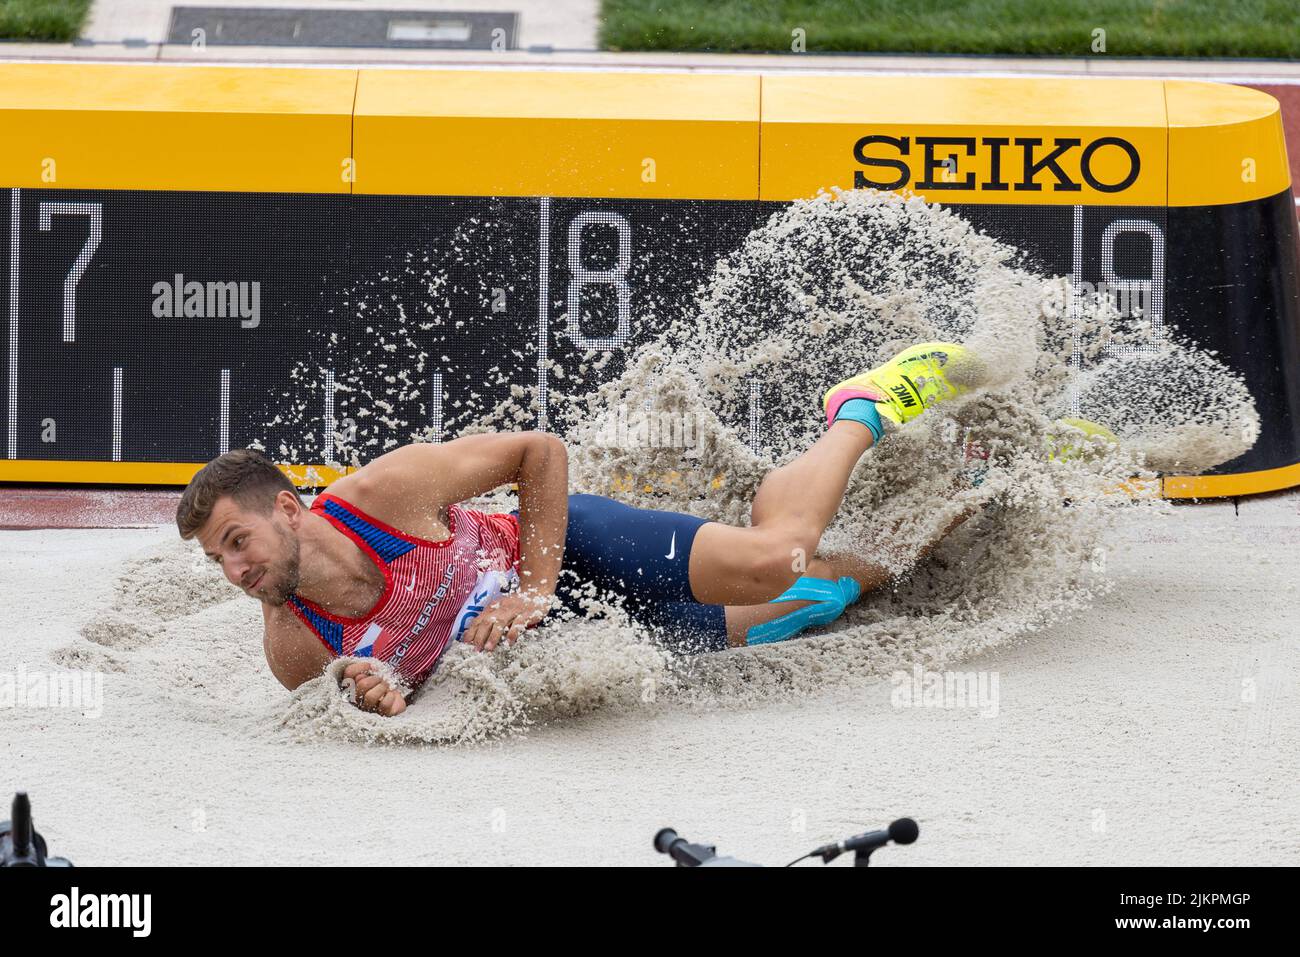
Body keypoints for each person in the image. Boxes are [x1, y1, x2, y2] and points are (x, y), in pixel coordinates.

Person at [177, 343, 982, 716]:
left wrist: (533, 584)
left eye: (237, 541)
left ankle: (858, 410)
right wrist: (385, 698)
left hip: (570, 554)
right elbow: (397, 695)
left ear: (287, 507)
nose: (235, 571)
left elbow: (540, 450)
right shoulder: (295, 648)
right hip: (571, 635)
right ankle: (949, 512)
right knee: (813, 599)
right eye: (219, 560)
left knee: (776, 561)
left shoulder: (383, 493)